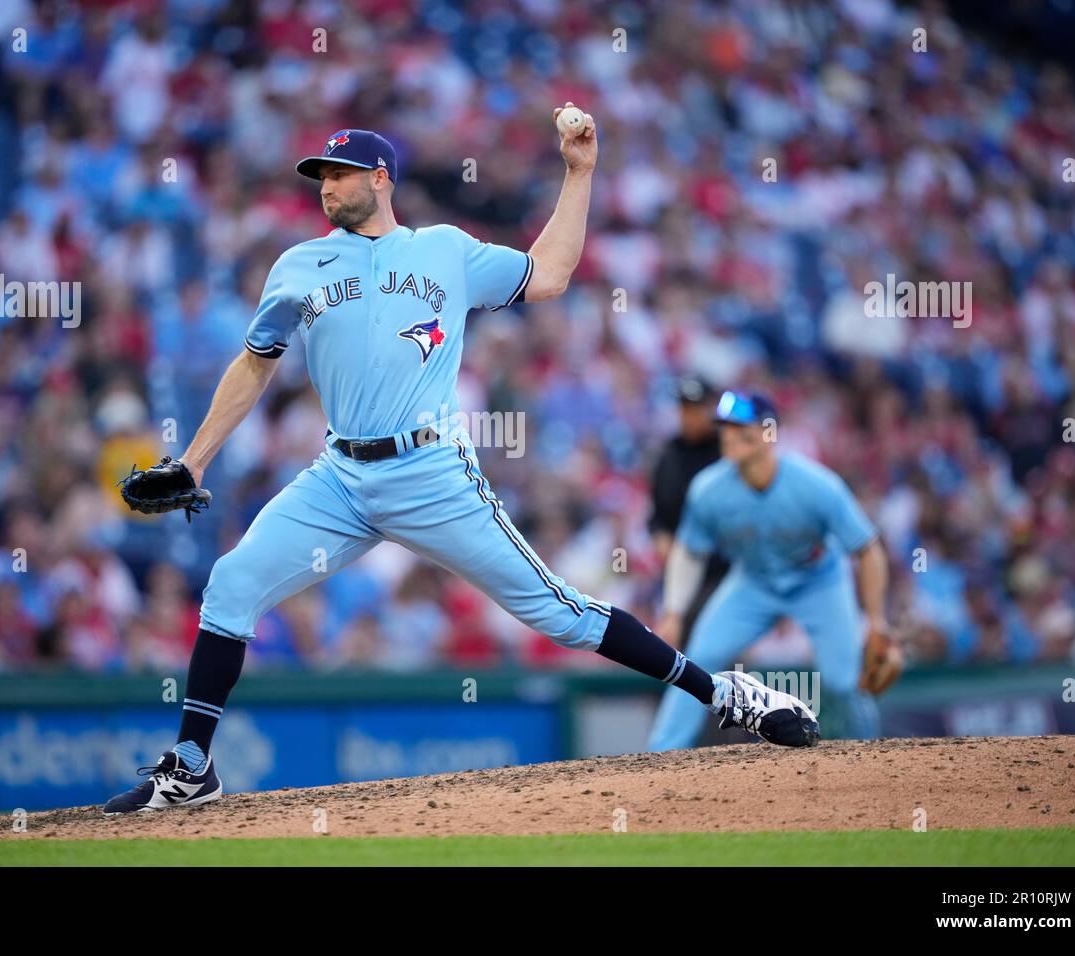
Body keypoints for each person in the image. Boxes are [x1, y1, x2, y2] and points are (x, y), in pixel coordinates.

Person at [104, 111, 818, 815]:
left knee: (559, 613)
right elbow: (255, 364)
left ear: (381, 178)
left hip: (429, 473)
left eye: (339, 172)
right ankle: (193, 767)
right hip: (340, 478)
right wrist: (194, 463)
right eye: (319, 174)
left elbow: (549, 274)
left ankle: (728, 695)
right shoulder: (299, 265)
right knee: (230, 583)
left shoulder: (445, 249)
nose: (326, 185)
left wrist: (579, 172)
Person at [647, 390, 891, 751]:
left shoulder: (815, 485)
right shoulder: (709, 489)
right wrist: (673, 611)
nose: (729, 436)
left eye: (741, 427)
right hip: (753, 582)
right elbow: (689, 552)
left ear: (769, 432)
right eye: (725, 428)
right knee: (698, 659)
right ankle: (661, 754)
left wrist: (876, 620)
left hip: (818, 580)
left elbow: (867, 549)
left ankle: (871, 757)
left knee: (842, 681)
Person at [647, 377, 729, 640]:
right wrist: (660, 536)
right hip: (680, 565)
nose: (689, 417)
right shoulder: (670, 454)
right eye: (684, 409)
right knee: (674, 642)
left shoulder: (728, 451)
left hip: (724, 567)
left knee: (714, 642)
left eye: (696, 409)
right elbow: (658, 514)